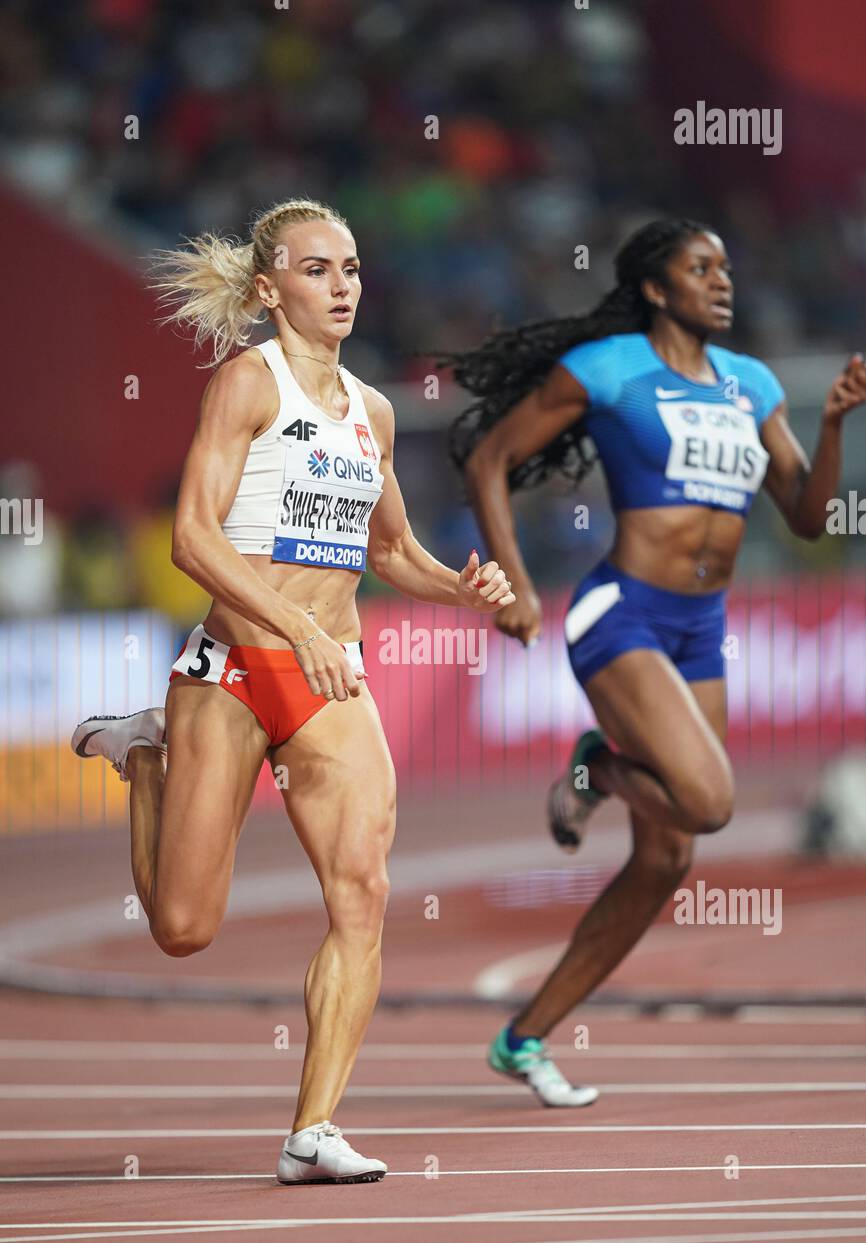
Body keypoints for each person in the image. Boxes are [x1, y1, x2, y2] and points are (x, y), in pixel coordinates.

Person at [71, 198, 515, 1182]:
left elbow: (390, 547)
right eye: (317, 269)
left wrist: (461, 586)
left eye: (351, 267)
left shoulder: (375, 411)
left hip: (330, 680)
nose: (343, 285)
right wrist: (297, 625)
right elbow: (193, 538)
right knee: (183, 929)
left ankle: (312, 1128)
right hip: (236, 671)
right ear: (270, 290)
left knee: (363, 891)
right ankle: (146, 757)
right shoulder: (246, 384)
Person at [442, 216, 866, 1107]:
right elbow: (489, 459)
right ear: (654, 288)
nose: (722, 280)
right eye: (699, 266)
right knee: (710, 804)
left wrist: (830, 427)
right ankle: (598, 763)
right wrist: (514, 586)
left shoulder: (751, 385)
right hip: (621, 613)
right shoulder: (610, 371)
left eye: (725, 265)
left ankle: (524, 1040)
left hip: (700, 630)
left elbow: (806, 517)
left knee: (668, 861)